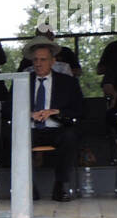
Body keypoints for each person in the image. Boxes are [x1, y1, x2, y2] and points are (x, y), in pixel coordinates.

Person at [17, 39, 83, 201]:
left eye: (43, 60)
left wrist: (56, 112)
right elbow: (7, 108)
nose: (38, 64)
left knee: (70, 137)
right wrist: (28, 113)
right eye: (35, 60)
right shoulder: (22, 82)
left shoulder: (67, 82)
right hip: (30, 128)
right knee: (17, 138)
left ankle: (60, 186)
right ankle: (28, 188)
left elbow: (81, 110)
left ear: (53, 61)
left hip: (57, 127)